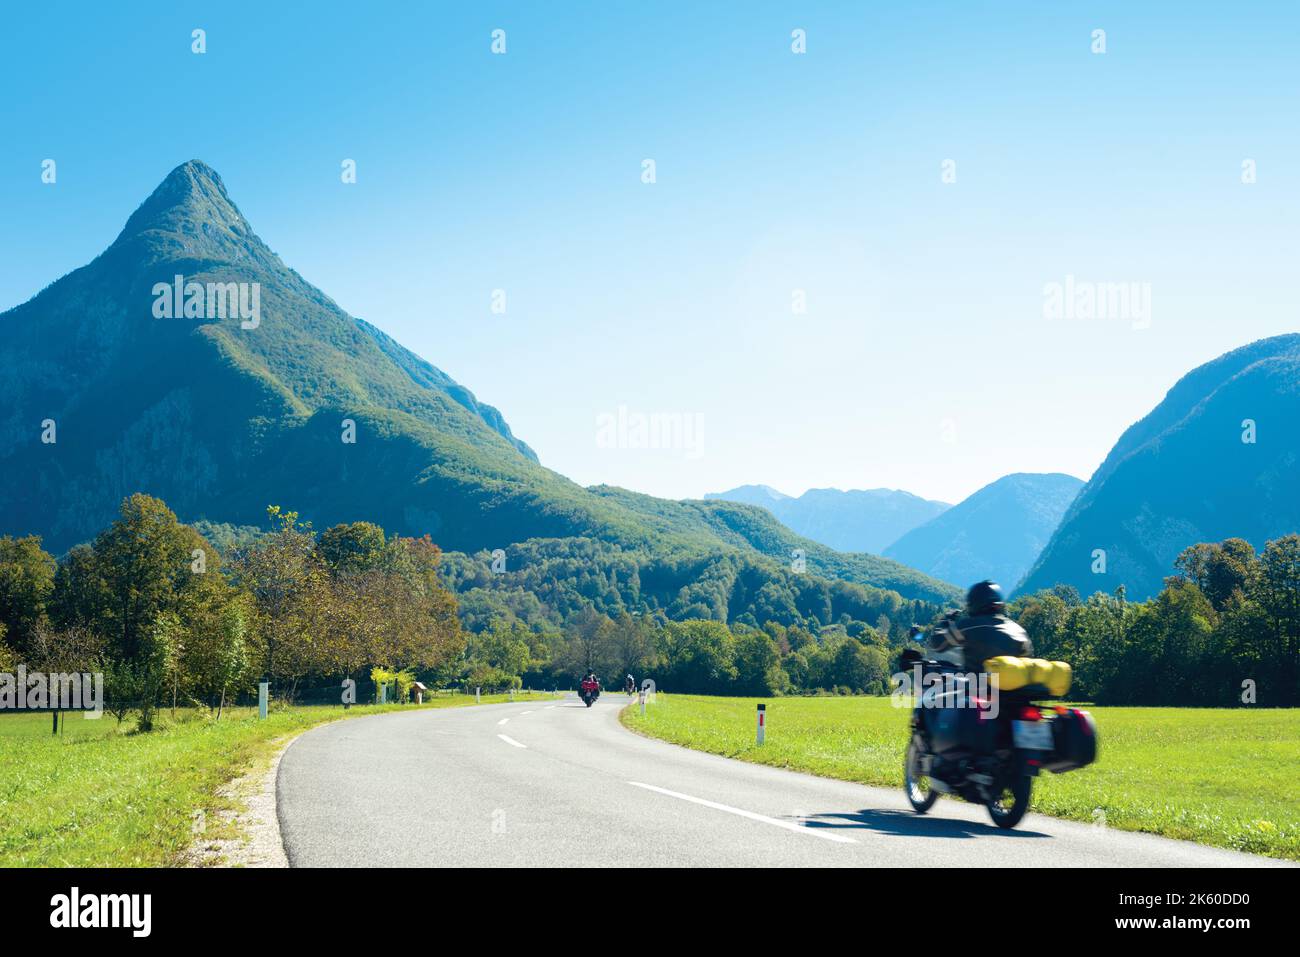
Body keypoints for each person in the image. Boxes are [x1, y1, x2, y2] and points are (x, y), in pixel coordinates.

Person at [926, 580, 1032, 670]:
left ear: (974, 603)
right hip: (1015, 691)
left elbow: (937, 644)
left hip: (978, 689)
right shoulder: (1019, 630)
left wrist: (945, 621)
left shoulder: (969, 625)